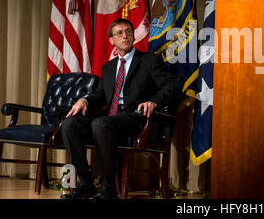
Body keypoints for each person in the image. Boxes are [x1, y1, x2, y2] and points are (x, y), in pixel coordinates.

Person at [60, 18, 180, 199]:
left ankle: (108, 188)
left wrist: (153, 101)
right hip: (110, 118)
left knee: (101, 123)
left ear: (133, 36)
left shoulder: (148, 60)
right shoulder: (108, 68)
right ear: (111, 40)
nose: (125, 36)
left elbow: (172, 85)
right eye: (119, 33)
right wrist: (84, 100)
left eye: (128, 32)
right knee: (69, 124)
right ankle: (85, 183)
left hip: (135, 117)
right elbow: (101, 94)